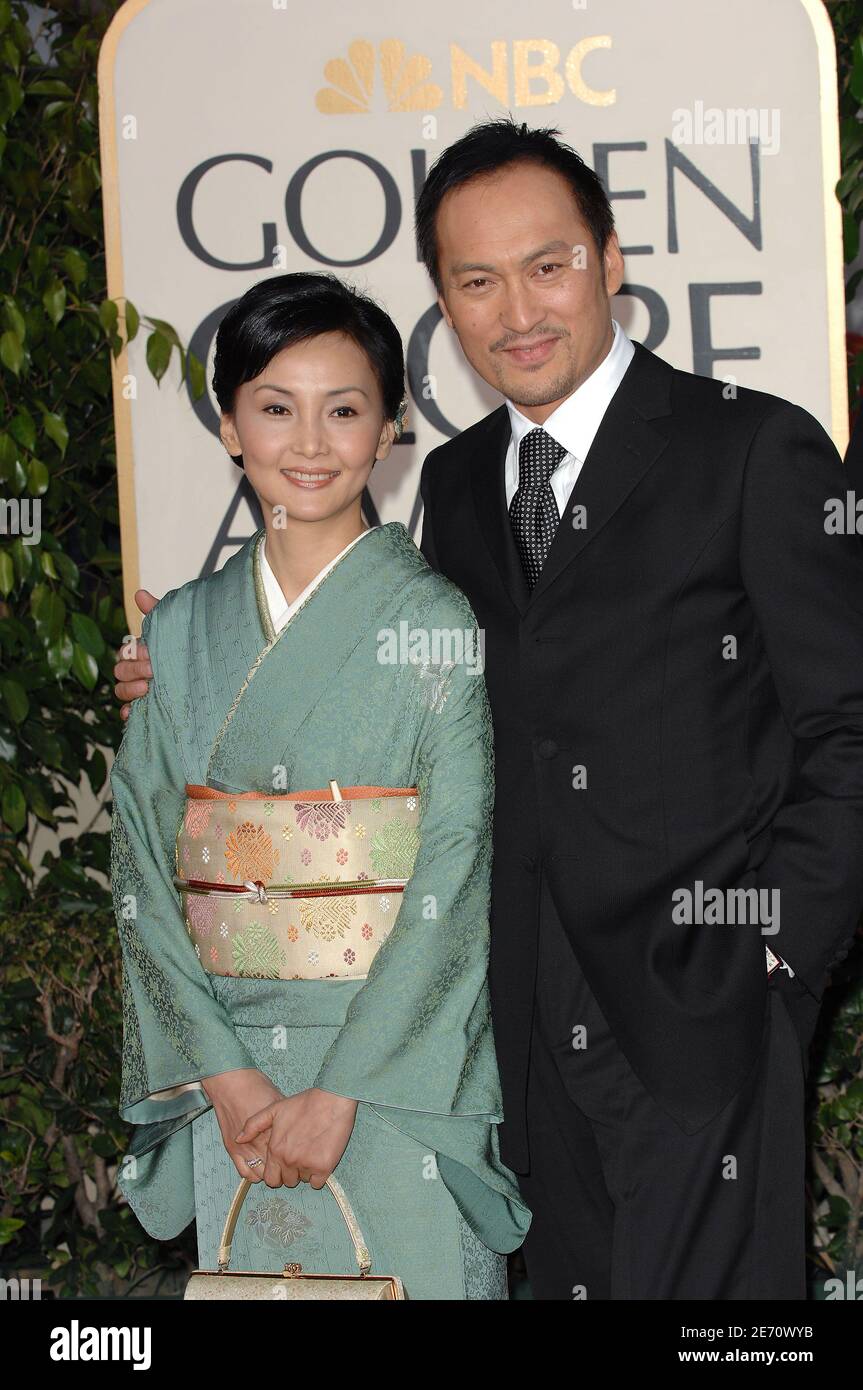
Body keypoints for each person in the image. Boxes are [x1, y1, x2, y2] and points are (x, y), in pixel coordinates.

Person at [116, 120, 863, 1301]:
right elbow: (392, 695)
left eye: (546, 265)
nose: (515, 309)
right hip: (501, 1012)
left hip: (701, 996)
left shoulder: (750, 446)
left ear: (609, 259)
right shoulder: (458, 487)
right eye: (474, 280)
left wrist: (775, 950)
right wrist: (174, 661)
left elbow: (847, 722)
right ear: (443, 304)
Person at [109, 270, 530, 1301]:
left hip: (394, 1070)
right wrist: (227, 1074)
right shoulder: (178, 633)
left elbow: (455, 871)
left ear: (389, 427)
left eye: (343, 409)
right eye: (273, 407)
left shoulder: (435, 624)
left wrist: (342, 1085)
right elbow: (143, 868)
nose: (309, 441)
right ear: (227, 427)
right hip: (232, 1077)